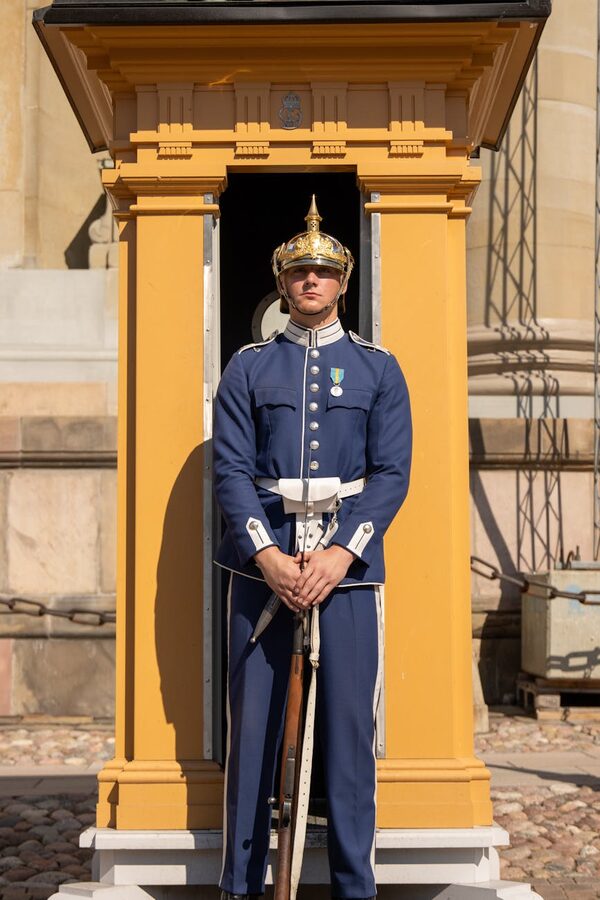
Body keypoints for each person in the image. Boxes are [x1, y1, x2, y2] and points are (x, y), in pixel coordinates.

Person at [213, 197, 412, 900]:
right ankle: (242, 886)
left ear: (343, 283)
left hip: (347, 576)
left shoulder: (378, 368)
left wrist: (339, 555)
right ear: (282, 281)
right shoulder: (248, 368)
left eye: (323, 273)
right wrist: (267, 554)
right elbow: (232, 471)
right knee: (253, 740)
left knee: (349, 740)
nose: (310, 283)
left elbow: (391, 475)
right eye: (299, 271)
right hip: (261, 571)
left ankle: (356, 889)